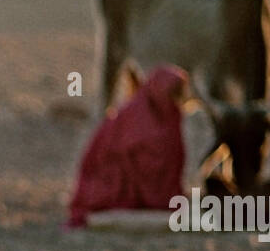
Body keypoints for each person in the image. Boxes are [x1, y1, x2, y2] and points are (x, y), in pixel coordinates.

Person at [67, 65, 189, 228]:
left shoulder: (169, 116)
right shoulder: (135, 115)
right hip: (111, 182)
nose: (175, 99)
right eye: (172, 93)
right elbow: (129, 153)